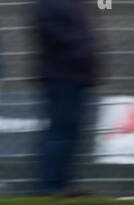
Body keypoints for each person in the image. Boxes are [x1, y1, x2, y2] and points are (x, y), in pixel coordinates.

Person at [34, 0, 99, 194]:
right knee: (60, 133)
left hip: (74, 76)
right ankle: (51, 186)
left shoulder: (71, 4)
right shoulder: (48, 5)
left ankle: (62, 184)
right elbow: (55, 33)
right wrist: (82, 50)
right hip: (62, 76)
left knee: (69, 133)